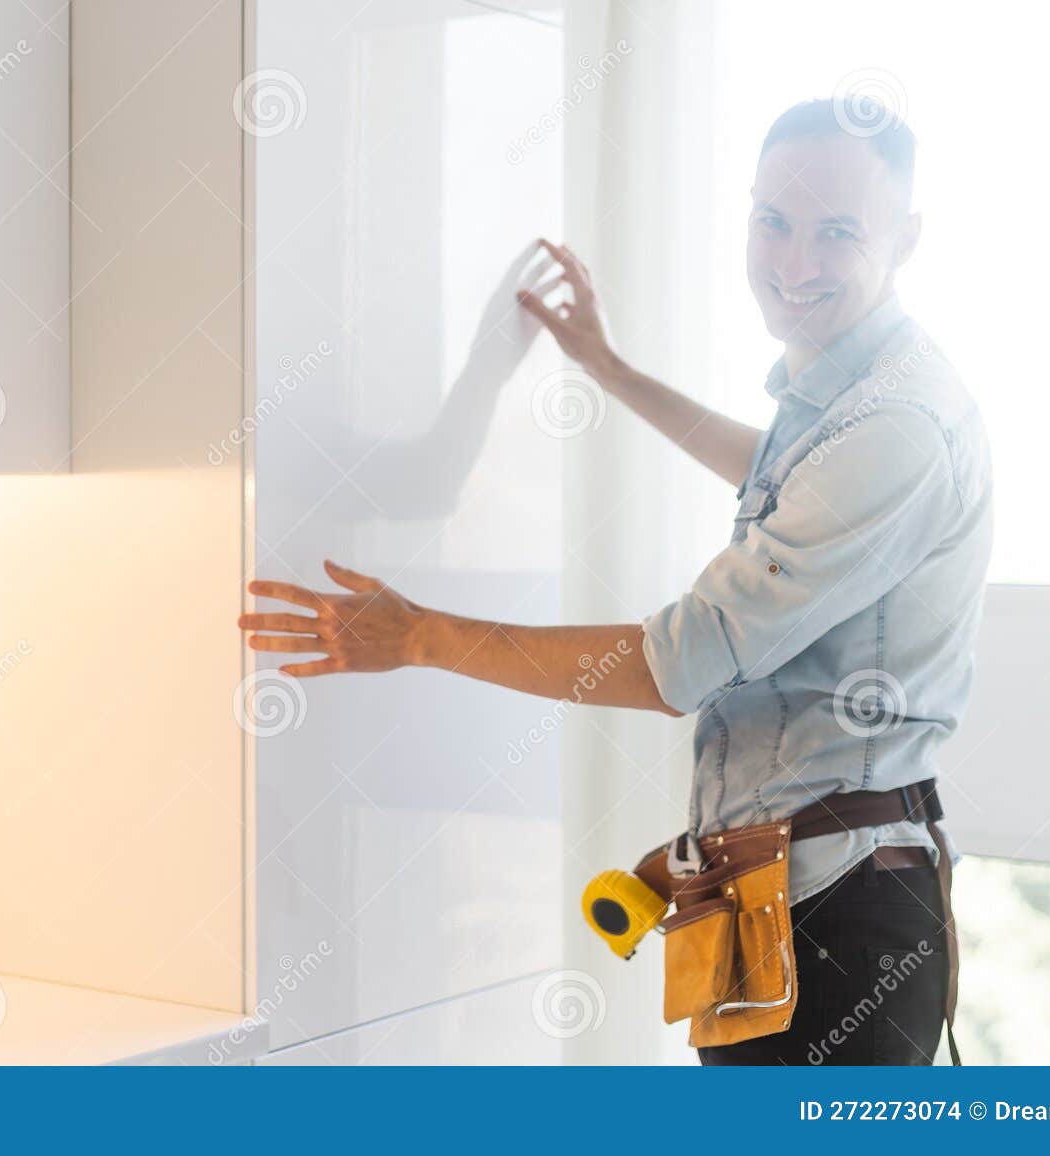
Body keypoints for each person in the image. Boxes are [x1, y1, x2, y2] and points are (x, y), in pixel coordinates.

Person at [238, 98, 992, 1066]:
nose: (793, 262)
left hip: (834, 924)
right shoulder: (854, 396)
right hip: (795, 894)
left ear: (905, 237)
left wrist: (417, 634)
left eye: (836, 232)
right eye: (774, 221)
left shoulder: (892, 427)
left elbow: (679, 663)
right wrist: (607, 367)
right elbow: (772, 467)